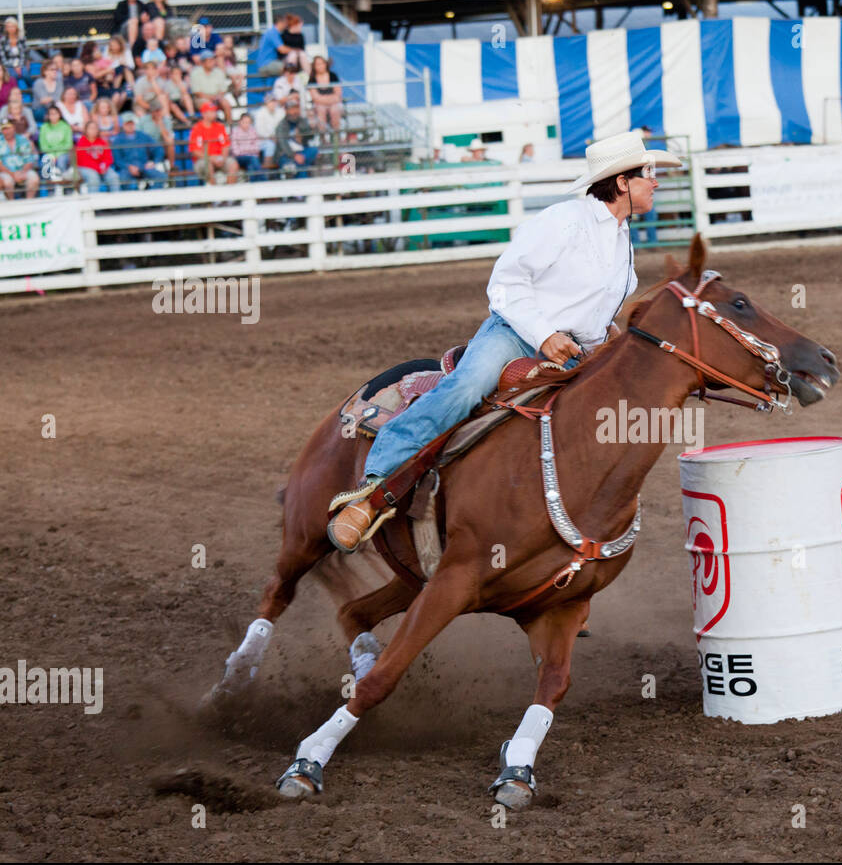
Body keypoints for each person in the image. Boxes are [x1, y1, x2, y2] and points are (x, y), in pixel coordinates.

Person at [326, 130, 681, 550]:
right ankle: (373, 490)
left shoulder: (623, 238)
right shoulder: (564, 220)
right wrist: (545, 334)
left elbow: (594, 306)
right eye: (648, 173)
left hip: (576, 351)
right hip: (515, 335)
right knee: (468, 387)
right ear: (622, 182)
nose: (656, 181)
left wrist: (608, 337)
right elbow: (507, 283)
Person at [112, 111, 166, 188]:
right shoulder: (118, 140)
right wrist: (129, 167)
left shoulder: (143, 136)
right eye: (127, 124)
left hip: (144, 166)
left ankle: (152, 196)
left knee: (161, 177)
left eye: (131, 123)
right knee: (124, 179)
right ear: (123, 125)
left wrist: (154, 162)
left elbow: (158, 149)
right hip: (127, 169)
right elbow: (117, 160)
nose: (130, 126)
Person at [188, 100, 237, 184]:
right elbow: (195, 151)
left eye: (214, 111)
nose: (214, 114)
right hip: (203, 160)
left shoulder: (220, 126)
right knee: (208, 166)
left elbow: (225, 145)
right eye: (211, 112)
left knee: (233, 164)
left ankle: (229, 194)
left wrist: (223, 158)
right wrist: (210, 158)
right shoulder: (197, 129)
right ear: (204, 114)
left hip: (219, 158)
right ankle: (215, 194)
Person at [273, 95, 316, 177]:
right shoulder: (281, 125)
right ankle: (294, 168)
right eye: (291, 109)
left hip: (302, 152)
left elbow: (310, 138)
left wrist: (311, 129)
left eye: (296, 108)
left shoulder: (302, 121)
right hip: (286, 155)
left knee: (313, 150)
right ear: (286, 111)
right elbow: (283, 144)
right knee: (300, 165)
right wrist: (294, 155)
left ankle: (295, 166)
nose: (294, 111)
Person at [76, 120, 120, 192]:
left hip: (102, 167)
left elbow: (108, 158)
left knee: (113, 176)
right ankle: (93, 202)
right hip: (86, 168)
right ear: (86, 130)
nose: (93, 130)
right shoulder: (81, 142)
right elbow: (82, 161)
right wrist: (98, 168)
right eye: (91, 128)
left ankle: (115, 200)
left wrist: (104, 165)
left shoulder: (102, 142)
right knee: (93, 177)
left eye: (95, 128)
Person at [0, 117, 39, 198]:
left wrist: (22, 172)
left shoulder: (23, 140)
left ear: (13, 128)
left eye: (8, 128)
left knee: (34, 178)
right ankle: (11, 204)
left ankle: (29, 202)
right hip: (6, 172)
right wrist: (12, 174)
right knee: (7, 182)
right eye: (4, 129)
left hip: (23, 170)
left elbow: (29, 160)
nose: (6, 131)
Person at [306, 55, 343, 139]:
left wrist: (325, 99)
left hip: (333, 103)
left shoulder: (333, 76)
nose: (320, 66)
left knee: (335, 109)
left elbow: (338, 94)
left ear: (325, 64)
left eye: (321, 63)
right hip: (319, 105)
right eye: (317, 64)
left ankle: (336, 137)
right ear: (314, 66)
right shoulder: (312, 79)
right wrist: (328, 99)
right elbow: (315, 97)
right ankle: (323, 138)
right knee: (321, 110)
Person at [38, 105, 76, 186]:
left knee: (61, 161)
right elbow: (43, 145)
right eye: (51, 114)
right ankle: (50, 188)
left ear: (59, 115)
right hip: (48, 153)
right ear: (48, 116)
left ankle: (64, 186)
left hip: (63, 153)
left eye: (55, 113)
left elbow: (68, 144)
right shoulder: (44, 127)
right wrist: (52, 155)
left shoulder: (65, 126)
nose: (53, 116)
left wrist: (57, 155)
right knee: (46, 163)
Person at [189, 49, 231, 121]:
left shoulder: (218, 72)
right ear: (203, 63)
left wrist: (218, 96)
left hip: (217, 97)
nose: (212, 63)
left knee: (226, 103)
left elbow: (223, 89)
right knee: (209, 105)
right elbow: (197, 93)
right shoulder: (195, 73)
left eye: (213, 60)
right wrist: (211, 98)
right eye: (209, 61)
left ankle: (228, 125)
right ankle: (212, 125)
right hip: (201, 98)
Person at [230, 112, 263, 181]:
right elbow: (236, 151)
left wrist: (243, 149)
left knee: (251, 166)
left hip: (252, 157)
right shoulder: (234, 132)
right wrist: (250, 149)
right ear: (240, 122)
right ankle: (263, 181)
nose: (246, 124)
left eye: (248, 122)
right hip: (240, 158)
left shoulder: (253, 130)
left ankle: (253, 185)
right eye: (244, 122)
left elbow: (257, 148)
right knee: (253, 159)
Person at [253, 95, 283, 163]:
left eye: (274, 101)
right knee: (270, 145)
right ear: (266, 102)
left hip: (278, 138)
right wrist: (271, 137)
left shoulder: (280, 112)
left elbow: (282, 127)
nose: (273, 104)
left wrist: (277, 137)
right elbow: (259, 131)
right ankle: (268, 168)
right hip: (262, 140)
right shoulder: (260, 113)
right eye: (271, 101)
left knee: (283, 143)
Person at [1, 17, 26, 83]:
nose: (11, 29)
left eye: (13, 26)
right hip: (8, 65)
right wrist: (14, 66)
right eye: (9, 27)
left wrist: (19, 66)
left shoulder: (21, 39)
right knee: (13, 76)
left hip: (21, 64)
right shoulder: (3, 40)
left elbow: (24, 54)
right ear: (6, 28)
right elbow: (3, 57)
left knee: (26, 74)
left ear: (16, 27)